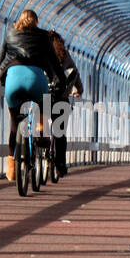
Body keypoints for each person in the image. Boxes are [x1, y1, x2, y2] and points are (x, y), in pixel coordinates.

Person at [0, 9, 63, 181]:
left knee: (14, 124)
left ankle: (11, 168)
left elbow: (0, 60)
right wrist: (60, 80)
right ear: (36, 22)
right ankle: (41, 129)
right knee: (44, 102)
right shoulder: (43, 36)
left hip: (13, 80)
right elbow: (53, 62)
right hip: (36, 79)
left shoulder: (10, 33)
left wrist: (2, 79)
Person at [48, 32, 83, 178]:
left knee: (41, 123)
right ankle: (60, 165)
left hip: (44, 95)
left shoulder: (42, 52)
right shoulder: (65, 55)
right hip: (61, 97)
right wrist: (79, 90)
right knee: (60, 133)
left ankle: (39, 151)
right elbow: (75, 73)